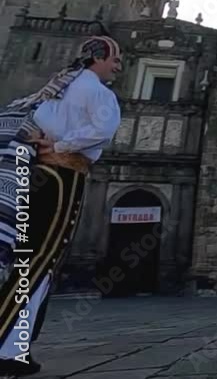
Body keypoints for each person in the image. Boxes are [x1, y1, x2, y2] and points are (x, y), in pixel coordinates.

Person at [0, 35, 123, 375]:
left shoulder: (60, 87)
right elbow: (103, 130)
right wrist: (62, 146)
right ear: (98, 58)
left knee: (32, 261)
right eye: (115, 59)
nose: (117, 67)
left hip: (39, 174)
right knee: (39, 261)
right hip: (62, 179)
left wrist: (49, 142)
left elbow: (36, 120)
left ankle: (15, 350)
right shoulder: (97, 92)